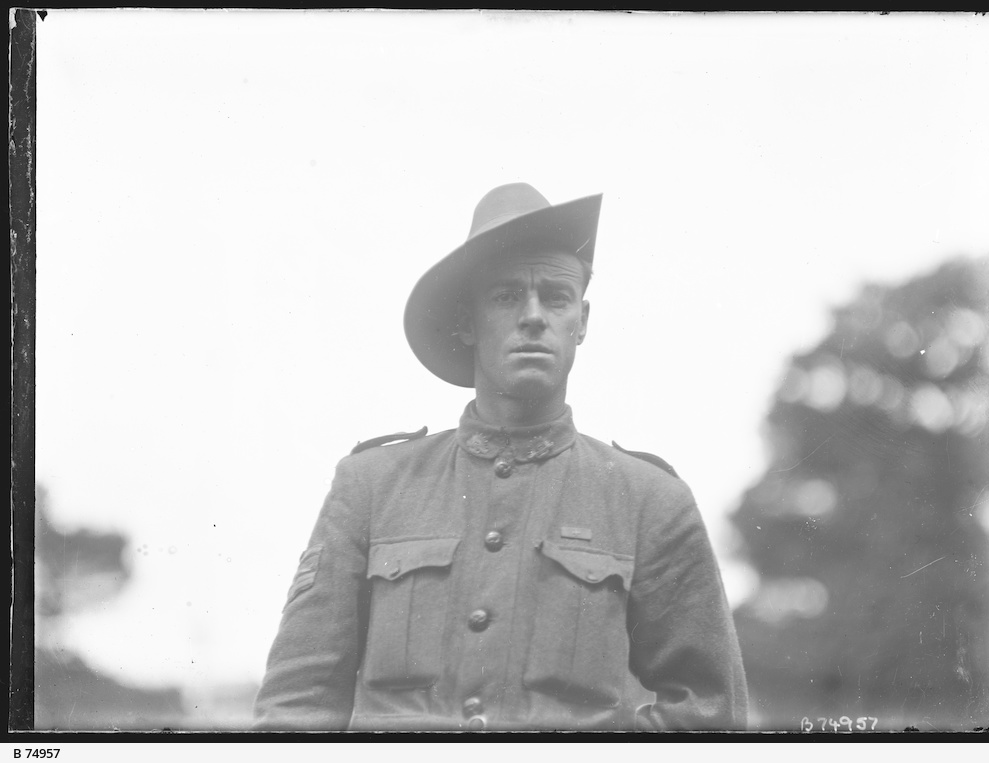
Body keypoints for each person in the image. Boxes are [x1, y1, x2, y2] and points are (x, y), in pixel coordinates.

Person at [253, 183, 748, 731]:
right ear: (466, 322)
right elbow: (296, 705)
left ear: (582, 321)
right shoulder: (372, 486)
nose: (533, 317)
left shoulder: (650, 501)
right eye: (506, 296)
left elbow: (710, 711)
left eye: (556, 297)